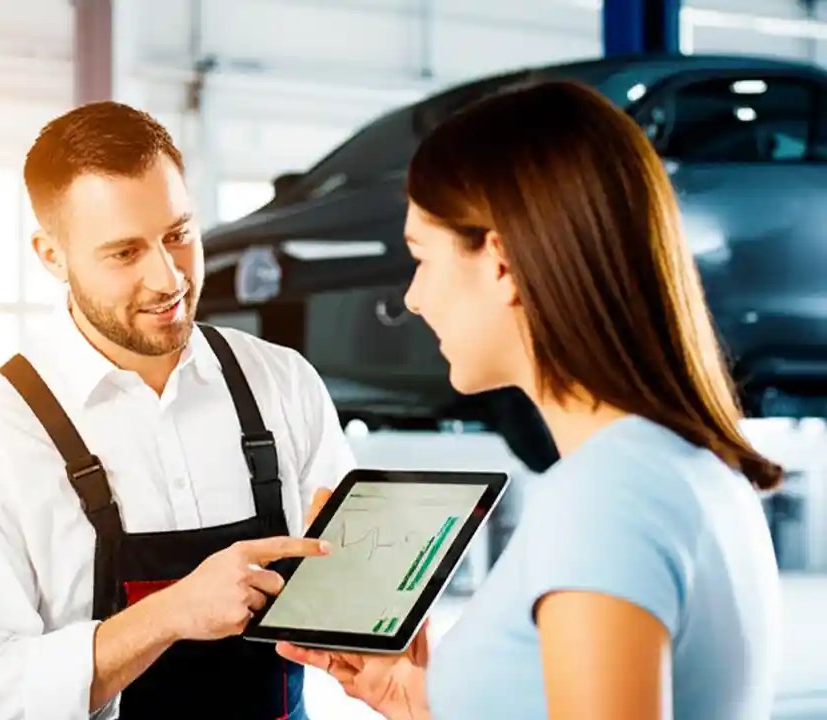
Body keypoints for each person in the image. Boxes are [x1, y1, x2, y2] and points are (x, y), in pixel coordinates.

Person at [277, 80, 783, 719]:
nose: (411, 298)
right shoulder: (685, 468)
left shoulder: (606, 497)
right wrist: (420, 702)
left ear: (501, 263)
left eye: (422, 258)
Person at [0, 101, 357, 720]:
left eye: (179, 234)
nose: (168, 278)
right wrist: (170, 615)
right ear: (51, 255)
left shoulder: (282, 383)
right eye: (124, 253)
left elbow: (345, 592)